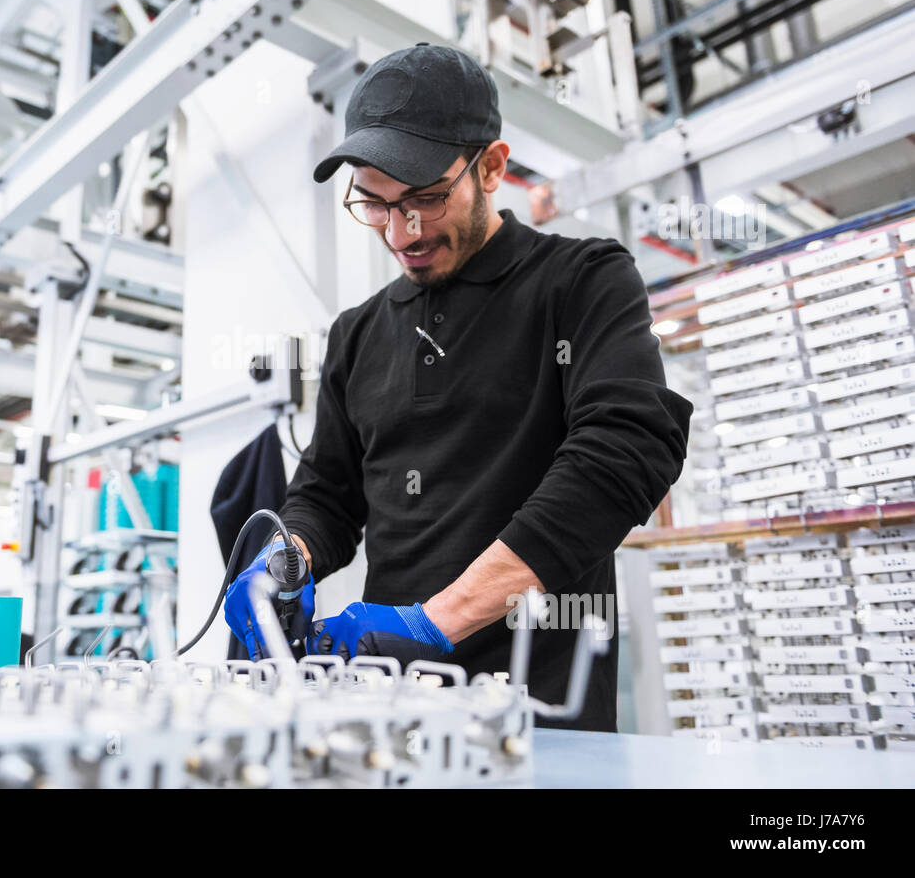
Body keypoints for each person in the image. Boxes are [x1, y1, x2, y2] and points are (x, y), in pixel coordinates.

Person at [224, 42, 693, 732]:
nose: (401, 231)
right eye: (375, 203)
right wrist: (288, 555)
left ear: (493, 166)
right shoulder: (356, 335)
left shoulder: (581, 281)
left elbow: (627, 449)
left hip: (539, 722)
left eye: (426, 199)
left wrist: (434, 621)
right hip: (388, 718)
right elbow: (328, 493)